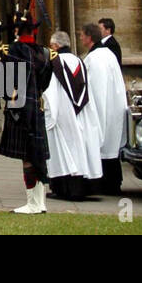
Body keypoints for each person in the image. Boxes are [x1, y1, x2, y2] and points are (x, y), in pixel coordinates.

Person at [0, 8, 53, 214]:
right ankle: (40, 202)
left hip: (19, 108)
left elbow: (6, 81)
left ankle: (32, 203)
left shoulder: (14, 50)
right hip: (36, 106)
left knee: (27, 156)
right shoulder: (46, 53)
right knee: (37, 152)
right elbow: (45, 82)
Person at [44, 30, 102, 201]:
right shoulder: (79, 61)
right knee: (79, 148)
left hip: (62, 112)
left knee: (63, 151)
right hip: (79, 111)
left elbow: (50, 90)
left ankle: (64, 188)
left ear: (55, 46)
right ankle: (81, 187)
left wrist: (48, 112)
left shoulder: (55, 62)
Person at [82, 23, 128, 195]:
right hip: (113, 108)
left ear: (89, 38)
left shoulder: (96, 59)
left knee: (103, 146)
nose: (80, 38)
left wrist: (93, 116)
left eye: (82, 35)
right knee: (110, 148)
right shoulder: (107, 54)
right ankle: (112, 183)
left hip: (103, 110)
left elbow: (96, 90)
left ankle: (103, 184)